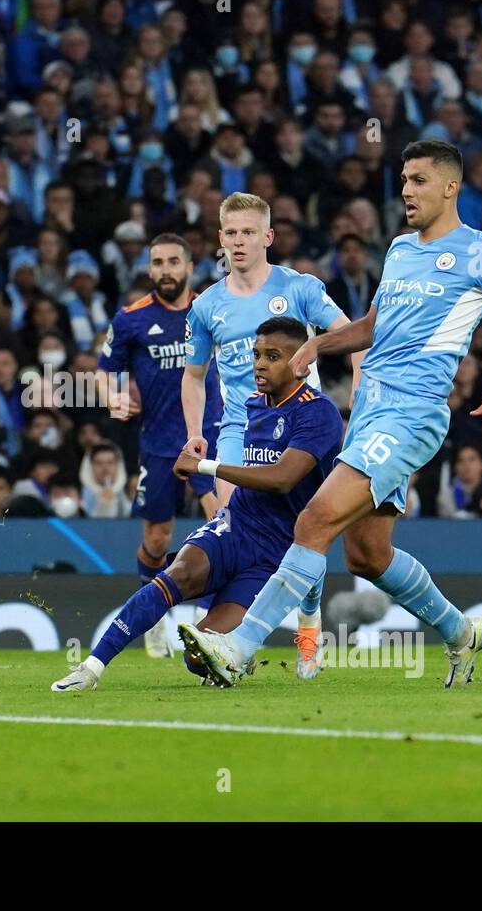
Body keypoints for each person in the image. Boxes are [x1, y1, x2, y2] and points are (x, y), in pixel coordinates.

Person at [181, 140, 482, 689]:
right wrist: (317, 347)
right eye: (403, 179)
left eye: (419, 180)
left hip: (412, 414)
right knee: (367, 556)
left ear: (451, 186)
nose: (406, 190)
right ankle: (460, 632)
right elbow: (372, 327)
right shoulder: (401, 249)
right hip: (370, 414)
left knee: (313, 521)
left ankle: (237, 648)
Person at [53, 319, 342, 691]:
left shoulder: (318, 413)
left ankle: (301, 613)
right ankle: (91, 668)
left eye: (273, 356)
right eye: (256, 355)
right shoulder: (253, 405)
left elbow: (282, 478)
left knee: (198, 659)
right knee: (175, 575)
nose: (259, 364)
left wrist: (202, 467)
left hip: (277, 554)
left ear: (301, 361)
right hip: (235, 527)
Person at [97, 232, 225, 656]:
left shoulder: (211, 307)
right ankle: (153, 619)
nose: (165, 270)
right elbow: (103, 369)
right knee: (156, 540)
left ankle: (214, 629)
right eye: (157, 262)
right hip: (159, 443)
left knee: (222, 527)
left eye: (173, 262)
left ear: (189, 267)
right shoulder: (131, 318)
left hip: (211, 436)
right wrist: (111, 396)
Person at [182, 191, 354, 506]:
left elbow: (354, 337)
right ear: (221, 238)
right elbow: (193, 376)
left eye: (249, 232)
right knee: (236, 527)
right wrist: (195, 432)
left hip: (300, 426)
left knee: (304, 531)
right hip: (240, 428)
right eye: (231, 233)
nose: (239, 241)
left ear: (268, 237)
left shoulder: (299, 288)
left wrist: (359, 387)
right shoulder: (205, 306)